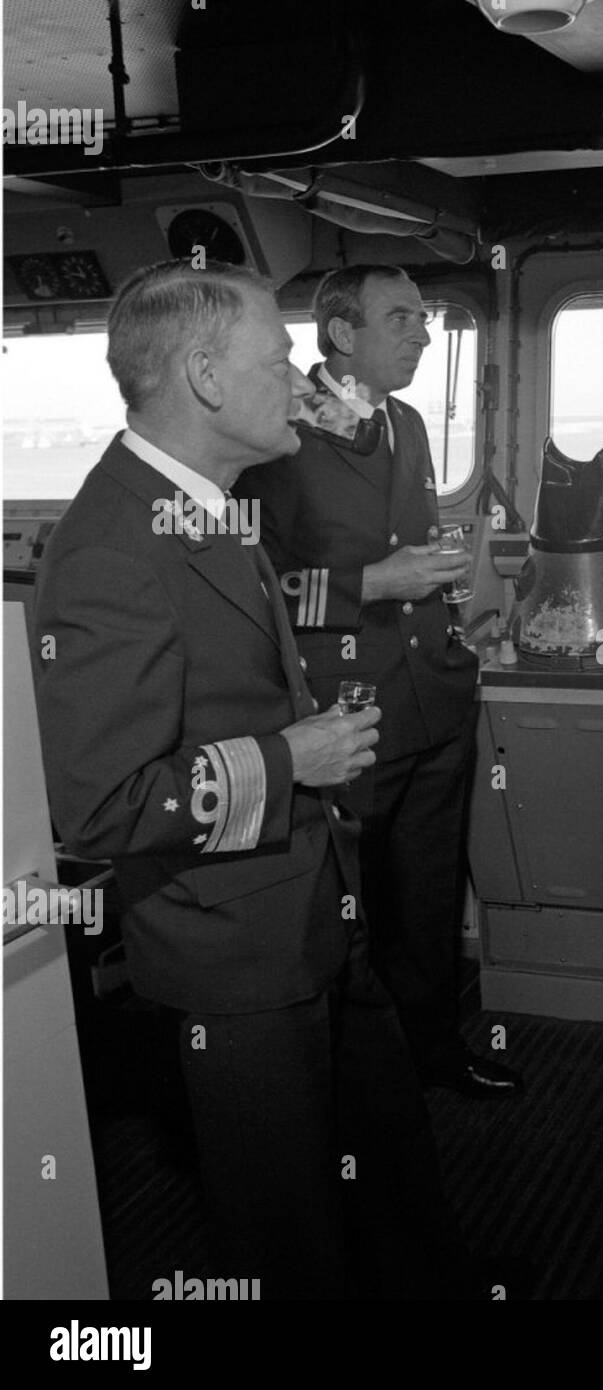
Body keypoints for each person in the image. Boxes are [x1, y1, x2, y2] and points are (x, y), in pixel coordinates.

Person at [35, 259, 479, 1298]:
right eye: (278, 361)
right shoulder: (112, 546)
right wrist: (294, 758)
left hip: (314, 898)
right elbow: (100, 806)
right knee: (284, 1231)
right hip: (232, 950)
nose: (299, 380)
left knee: (385, 1160)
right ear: (203, 376)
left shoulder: (207, 502)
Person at [234, 265, 522, 1098]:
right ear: (341, 335)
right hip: (345, 721)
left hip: (434, 699)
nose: (423, 334)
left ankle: (436, 1052)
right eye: (400, 319)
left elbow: (414, 542)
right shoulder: (273, 437)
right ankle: (362, 1088)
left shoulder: (404, 421)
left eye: (425, 319)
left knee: (428, 904)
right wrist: (373, 585)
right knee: (348, 916)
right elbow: (256, 595)